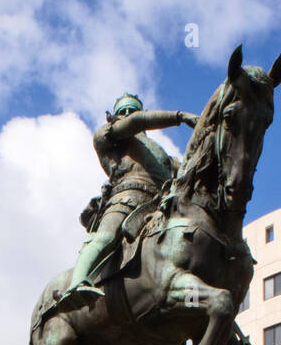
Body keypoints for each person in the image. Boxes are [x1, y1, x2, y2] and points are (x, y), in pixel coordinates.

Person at [54, 92, 197, 314]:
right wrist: (179, 117)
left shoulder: (163, 156)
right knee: (107, 237)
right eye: (123, 112)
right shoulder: (107, 136)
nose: (128, 115)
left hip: (160, 206)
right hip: (126, 197)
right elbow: (135, 123)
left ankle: (197, 306)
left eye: (133, 111)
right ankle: (77, 285)